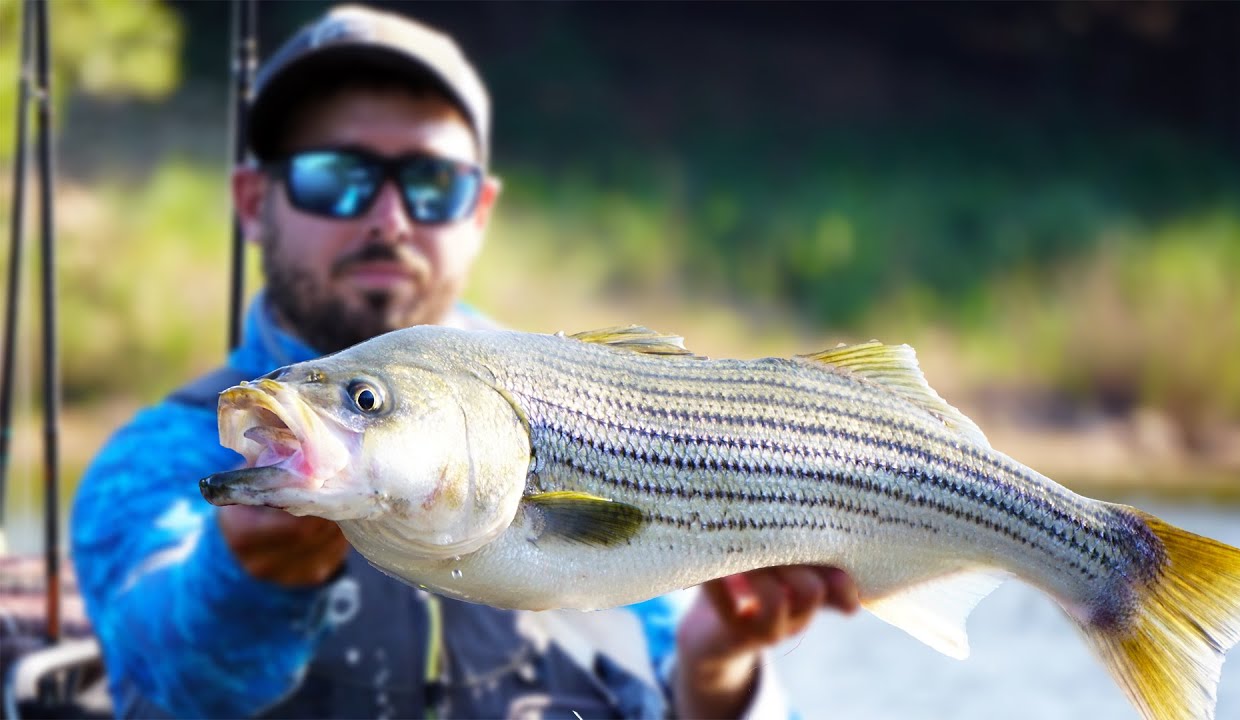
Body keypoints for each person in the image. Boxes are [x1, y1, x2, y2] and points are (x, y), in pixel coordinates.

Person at [71, 5, 859, 718]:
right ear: (252, 202)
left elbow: (672, 675)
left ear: (479, 212)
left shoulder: (593, 412)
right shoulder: (151, 462)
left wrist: (716, 668)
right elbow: (162, 686)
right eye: (335, 178)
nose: (388, 218)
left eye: (432, 183)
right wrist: (245, 580)